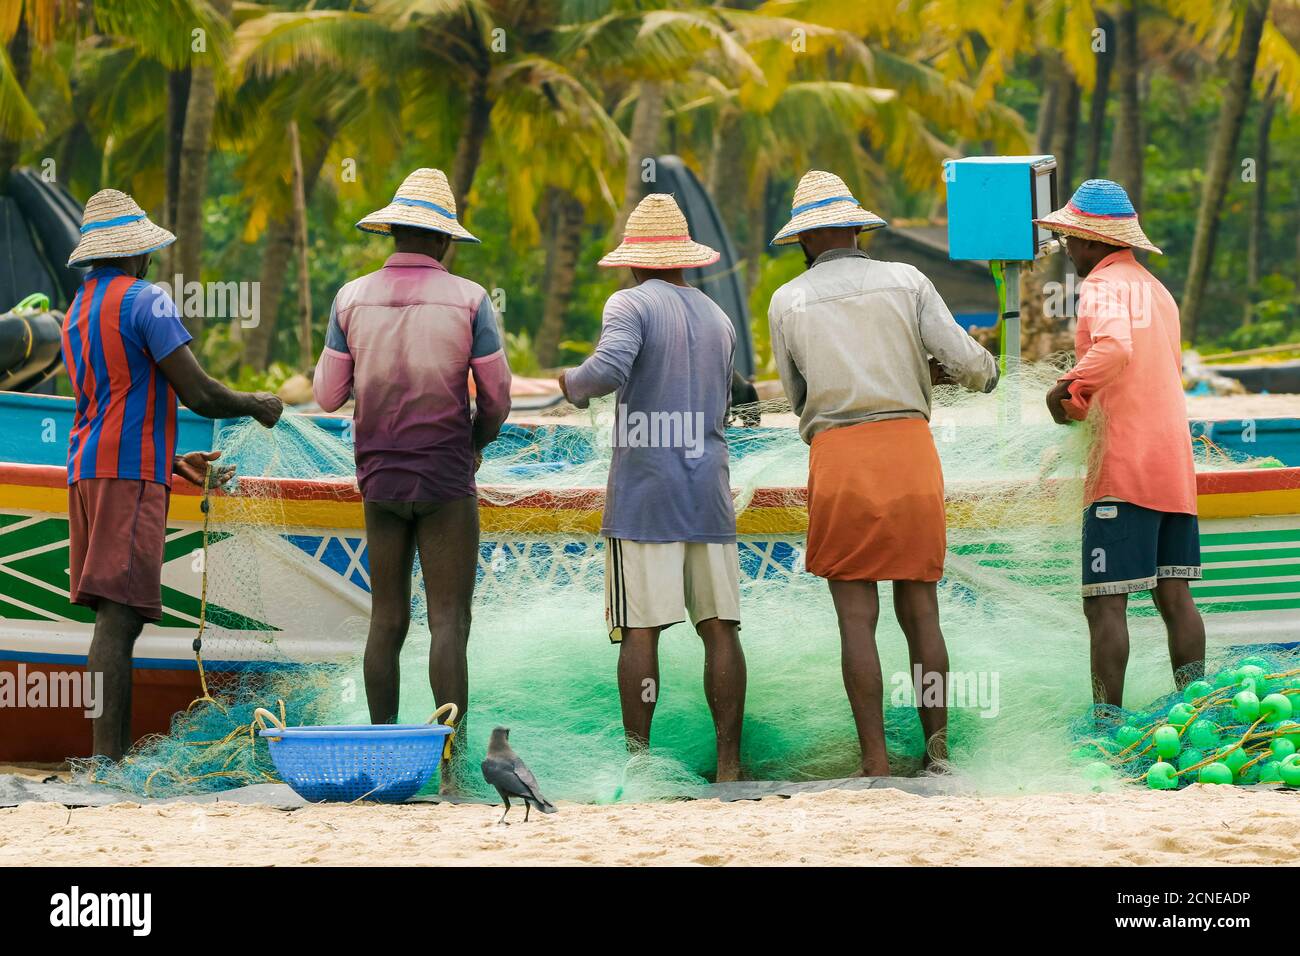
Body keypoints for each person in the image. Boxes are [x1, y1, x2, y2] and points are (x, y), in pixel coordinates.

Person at [766, 170, 998, 775]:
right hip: (908, 452)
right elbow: (970, 366)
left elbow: (797, 395)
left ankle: (874, 760)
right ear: (857, 229)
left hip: (838, 456)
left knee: (856, 621)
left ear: (804, 239)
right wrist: (977, 371)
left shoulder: (787, 300)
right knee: (921, 614)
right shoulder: (908, 280)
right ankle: (938, 754)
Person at [61, 189, 283, 760]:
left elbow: (112, 399)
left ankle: (106, 757)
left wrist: (174, 462)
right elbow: (200, 393)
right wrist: (256, 404)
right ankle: (107, 763)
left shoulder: (77, 308)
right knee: (119, 621)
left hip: (87, 469)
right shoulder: (147, 300)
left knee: (111, 615)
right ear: (136, 252)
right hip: (127, 475)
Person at [313, 168, 512, 763]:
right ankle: (450, 768)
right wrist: (475, 440)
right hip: (446, 476)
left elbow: (327, 394)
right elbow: (497, 397)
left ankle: (384, 756)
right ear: (445, 240)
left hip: (380, 477)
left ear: (393, 232)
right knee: (448, 620)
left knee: (387, 619)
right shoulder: (471, 299)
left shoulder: (350, 298)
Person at [557, 193, 746, 782]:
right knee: (719, 626)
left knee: (641, 630)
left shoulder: (629, 303)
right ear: (685, 259)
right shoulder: (718, 317)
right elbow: (725, 402)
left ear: (636, 261)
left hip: (645, 495)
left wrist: (570, 383)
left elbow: (608, 370)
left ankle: (639, 764)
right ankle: (730, 765)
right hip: (708, 491)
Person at [1036, 179, 1205, 707]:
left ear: (1093, 241)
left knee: (1104, 602)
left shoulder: (1102, 286)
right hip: (1173, 467)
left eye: (1071, 238)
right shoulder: (1156, 289)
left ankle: (1106, 726)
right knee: (1174, 595)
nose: (1067, 248)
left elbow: (1114, 349)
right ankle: (1197, 709)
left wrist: (1066, 389)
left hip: (1124, 469)